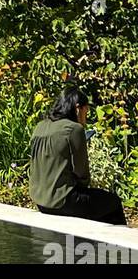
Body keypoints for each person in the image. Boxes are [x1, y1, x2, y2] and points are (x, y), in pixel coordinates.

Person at [30, 86, 127, 225]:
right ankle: (118, 246)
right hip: (63, 201)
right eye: (85, 112)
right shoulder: (74, 129)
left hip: (40, 201)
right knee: (113, 202)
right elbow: (82, 173)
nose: (85, 118)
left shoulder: (40, 126)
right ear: (77, 108)